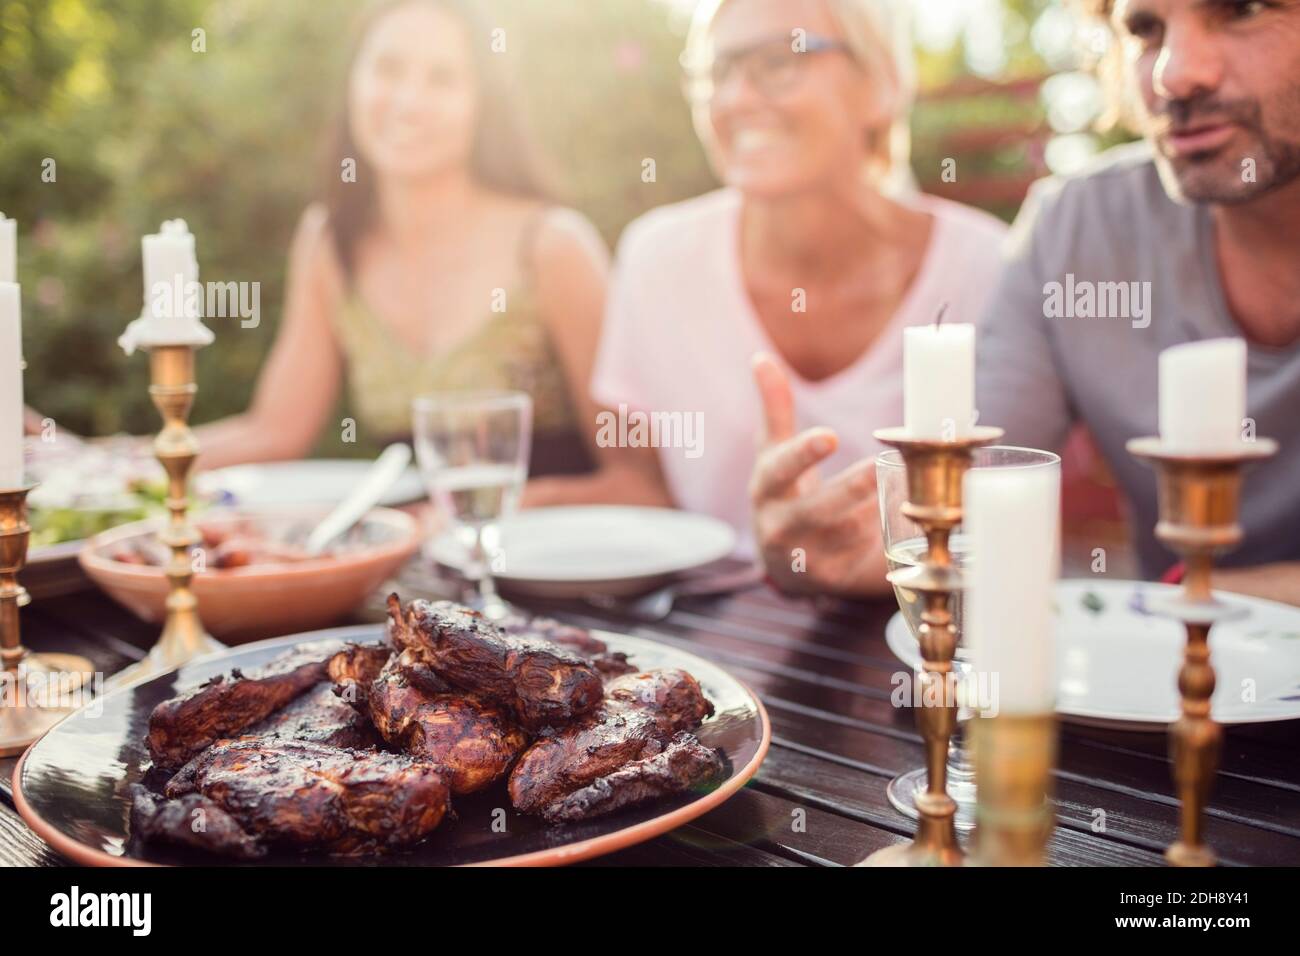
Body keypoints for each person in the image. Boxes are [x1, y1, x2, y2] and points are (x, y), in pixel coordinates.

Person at [532, 0, 1009, 598]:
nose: (734, 99)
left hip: (927, 634)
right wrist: (508, 509)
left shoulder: (988, 266)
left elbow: (1019, 513)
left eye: (780, 60)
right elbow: (641, 490)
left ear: (881, 86)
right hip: (706, 637)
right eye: (717, 72)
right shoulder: (656, 259)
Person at [194, 0, 613, 481]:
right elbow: (274, 431)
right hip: (410, 552)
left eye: (442, 79)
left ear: (483, 103)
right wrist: (115, 464)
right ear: (353, 80)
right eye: (388, 69)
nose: (408, 102)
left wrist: (470, 518)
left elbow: (636, 480)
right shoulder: (329, 243)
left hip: (549, 549)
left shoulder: (552, 245)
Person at [974, 0, 1300, 605]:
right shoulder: (1074, 231)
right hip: (1160, 686)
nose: (1173, 75)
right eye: (1146, 30)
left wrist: (1197, 597)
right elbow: (975, 497)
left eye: (1244, 9)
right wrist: (875, 541)